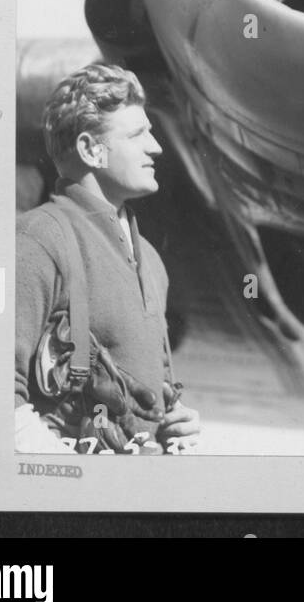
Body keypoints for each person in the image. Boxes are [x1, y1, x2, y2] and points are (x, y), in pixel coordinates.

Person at [14, 63, 201, 454]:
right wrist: (75, 482)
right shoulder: (40, 238)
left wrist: (178, 423)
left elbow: (150, 392)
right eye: (138, 135)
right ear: (90, 149)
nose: (157, 147)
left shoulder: (151, 261)